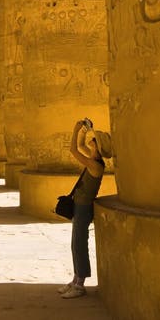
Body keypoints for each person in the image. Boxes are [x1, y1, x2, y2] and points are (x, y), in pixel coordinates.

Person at [58, 119, 113, 300]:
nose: (92, 140)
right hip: (79, 205)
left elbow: (74, 150)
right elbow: (81, 145)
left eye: (94, 140)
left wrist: (74, 130)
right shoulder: (93, 158)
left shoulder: (95, 165)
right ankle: (75, 279)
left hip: (83, 208)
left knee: (80, 244)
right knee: (75, 243)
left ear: (98, 148)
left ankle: (80, 285)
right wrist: (83, 130)